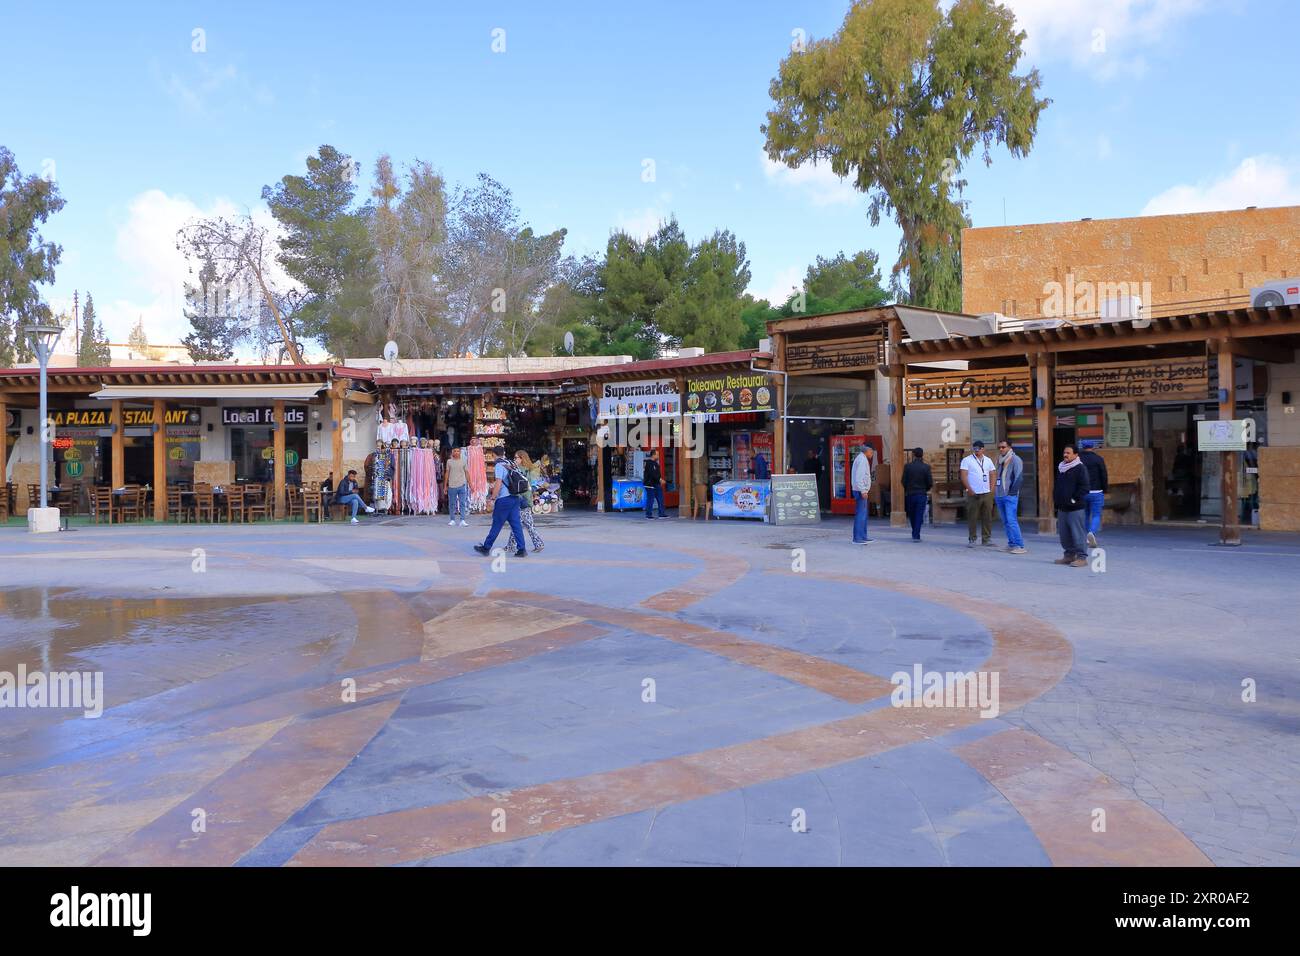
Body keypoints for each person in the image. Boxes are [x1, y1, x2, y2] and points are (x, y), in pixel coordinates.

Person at [474, 451, 527, 559]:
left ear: (494, 455)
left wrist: (493, 497)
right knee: (516, 525)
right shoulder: (509, 462)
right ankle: (522, 549)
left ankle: (486, 548)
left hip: (504, 499)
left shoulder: (498, 465)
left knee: (497, 524)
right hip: (515, 497)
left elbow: (498, 483)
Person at [1054, 444, 1091, 567]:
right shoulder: (1061, 468)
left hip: (1075, 508)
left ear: (1076, 455)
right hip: (1062, 508)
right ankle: (1069, 556)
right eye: (1065, 452)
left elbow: (1085, 487)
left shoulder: (1080, 468)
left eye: (1068, 453)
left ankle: (1082, 557)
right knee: (1064, 534)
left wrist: (1073, 499)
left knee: (1077, 533)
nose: (1065, 455)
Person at [506, 451, 545, 553]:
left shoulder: (521, 470)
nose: (515, 460)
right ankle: (511, 545)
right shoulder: (530, 470)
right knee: (518, 523)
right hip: (525, 500)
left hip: (521, 500)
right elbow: (534, 485)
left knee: (525, 524)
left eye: (516, 458)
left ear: (522, 458)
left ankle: (538, 544)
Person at [961, 440, 997, 548]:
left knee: (987, 516)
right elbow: (963, 475)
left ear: (983, 449)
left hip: (986, 493)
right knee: (973, 516)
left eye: (978, 448)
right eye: (974, 448)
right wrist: (969, 489)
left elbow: (993, 474)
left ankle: (986, 539)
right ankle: (972, 539)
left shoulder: (988, 460)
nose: (976, 450)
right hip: (974, 493)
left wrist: (991, 488)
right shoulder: (967, 460)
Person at [995, 440, 1026, 554]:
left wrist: (1011, 493)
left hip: (1009, 496)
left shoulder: (1015, 459)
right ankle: (1011, 544)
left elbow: (1019, 477)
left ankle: (1020, 545)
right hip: (999, 495)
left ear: (1009, 447)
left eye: (1003, 447)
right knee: (1005, 521)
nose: (1001, 449)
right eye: (999, 447)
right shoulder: (999, 460)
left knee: (1012, 520)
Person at [1077, 440, 1109, 548]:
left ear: (1082, 446)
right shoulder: (1098, 459)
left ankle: (1087, 536)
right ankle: (1092, 532)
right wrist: (1105, 489)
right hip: (1096, 491)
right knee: (1096, 515)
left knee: (1085, 514)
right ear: (1093, 447)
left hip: (1083, 492)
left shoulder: (1078, 459)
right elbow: (1104, 475)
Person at [901, 447, 932, 542]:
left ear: (913, 455)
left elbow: (903, 481)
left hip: (910, 493)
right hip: (921, 493)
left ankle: (914, 531)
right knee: (919, 514)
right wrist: (925, 489)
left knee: (912, 514)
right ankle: (916, 534)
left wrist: (907, 489)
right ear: (922, 455)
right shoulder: (926, 467)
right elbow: (930, 482)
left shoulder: (907, 466)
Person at [851, 443, 872, 544]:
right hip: (860, 491)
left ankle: (863, 536)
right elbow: (859, 477)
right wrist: (863, 490)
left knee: (863, 514)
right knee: (861, 514)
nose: (872, 453)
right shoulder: (862, 460)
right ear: (867, 451)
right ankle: (858, 538)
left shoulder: (861, 458)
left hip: (859, 489)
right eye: (871, 451)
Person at [445, 446, 469, 527]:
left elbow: (467, 473)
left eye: (458, 451)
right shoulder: (449, 461)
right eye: (454, 451)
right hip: (452, 485)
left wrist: (470, 484)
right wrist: (445, 485)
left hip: (462, 485)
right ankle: (452, 520)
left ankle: (462, 520)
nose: (456, 452)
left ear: (460, 452)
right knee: (452, 504)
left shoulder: (464, 461)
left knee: (462, 503)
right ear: (452, 452)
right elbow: (447, 473)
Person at [642, 454, 666, 519]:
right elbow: (652, 473)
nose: (658, 456)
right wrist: (660, 479)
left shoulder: (655, 463)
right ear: (653, 455)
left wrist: (659, 480)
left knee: (660, 498)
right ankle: (648, 515)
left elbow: (657, 473)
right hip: (650, 484)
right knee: (650, 499)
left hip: (656, 483)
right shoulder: (649, 463)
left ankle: (661, 514)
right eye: (657, 455)